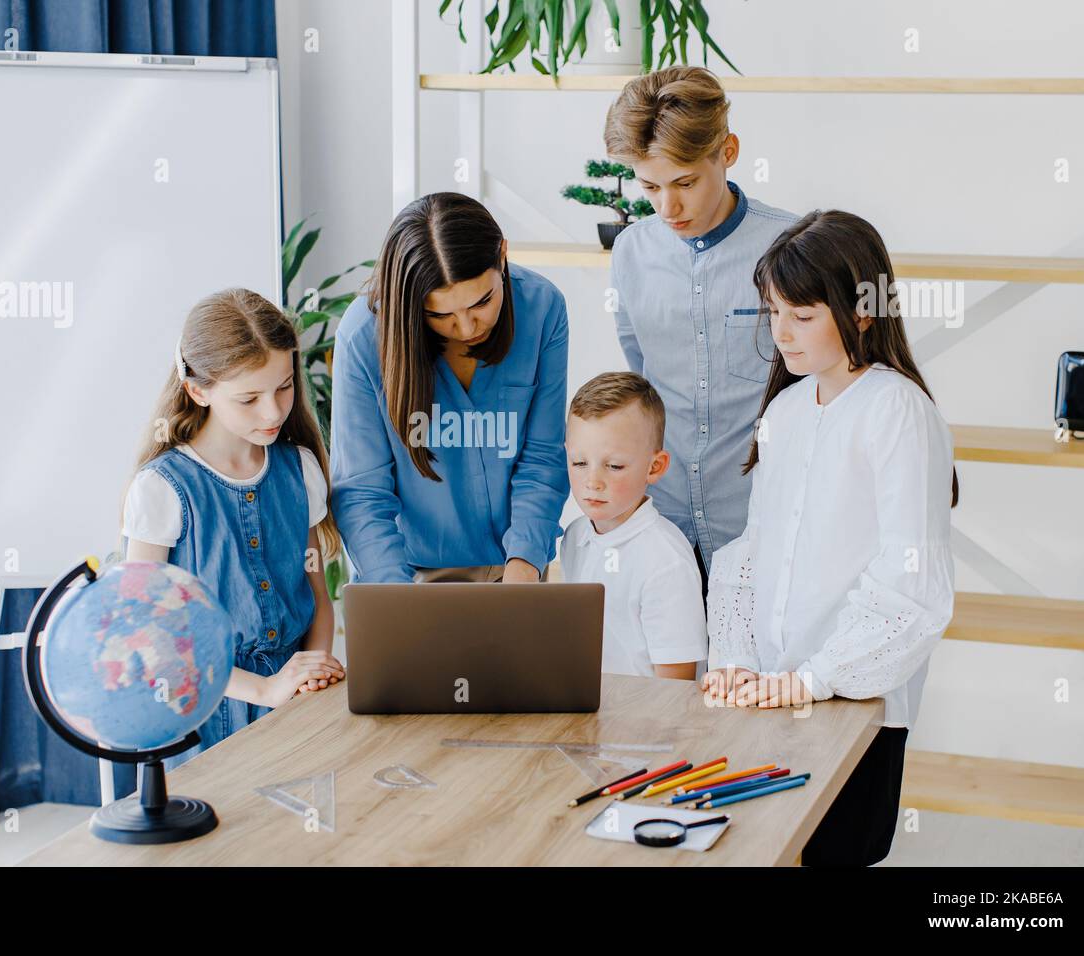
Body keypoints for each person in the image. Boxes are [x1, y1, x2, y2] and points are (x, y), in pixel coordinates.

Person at [702, 210, 958, 866]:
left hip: (854, 712)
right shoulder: (786, 411)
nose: (781, 332)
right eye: (773, 311)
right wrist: (735, 658)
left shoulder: (897, 410)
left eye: (802, 314)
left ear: (861, 311)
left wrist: (816, 677)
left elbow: (912, 584)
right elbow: (753, 551)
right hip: (775, 700)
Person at [123, 288, 345, 767]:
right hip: (205, 718)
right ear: (198, 390)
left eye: (284, 387)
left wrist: (310, 673)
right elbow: (148, 632)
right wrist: (261, 688)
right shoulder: (162, 487)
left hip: (294, 709)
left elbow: (317, 600)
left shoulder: (299, 469)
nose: (273, 412)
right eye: (249, 398)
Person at [603, 65, 798, 593]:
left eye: (685, 183)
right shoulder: (630, 253)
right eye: (650, 186)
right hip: (663, 523)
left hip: (766, 522)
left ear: (728, 152)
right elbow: (642, 380)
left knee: (758, 676)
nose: (667, 207)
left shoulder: (791, 246)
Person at [331, 192, 569, 584]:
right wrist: (396, 596)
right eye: (439, 314)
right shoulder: (361, 335)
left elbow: (542, 456)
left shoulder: (543, 307)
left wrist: (524, 564)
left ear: (503, 255)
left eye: (482, 302)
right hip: (404, 577)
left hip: (515, 569)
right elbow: (362, 492)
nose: (467, 327)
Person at [560, 372, 707, 679]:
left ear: (655, 467)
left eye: (614, 466)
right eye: (579, 463)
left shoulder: (665, 560)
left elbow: (675, 688)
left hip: (648, 721)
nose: (593, 482)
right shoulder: (575, 537)